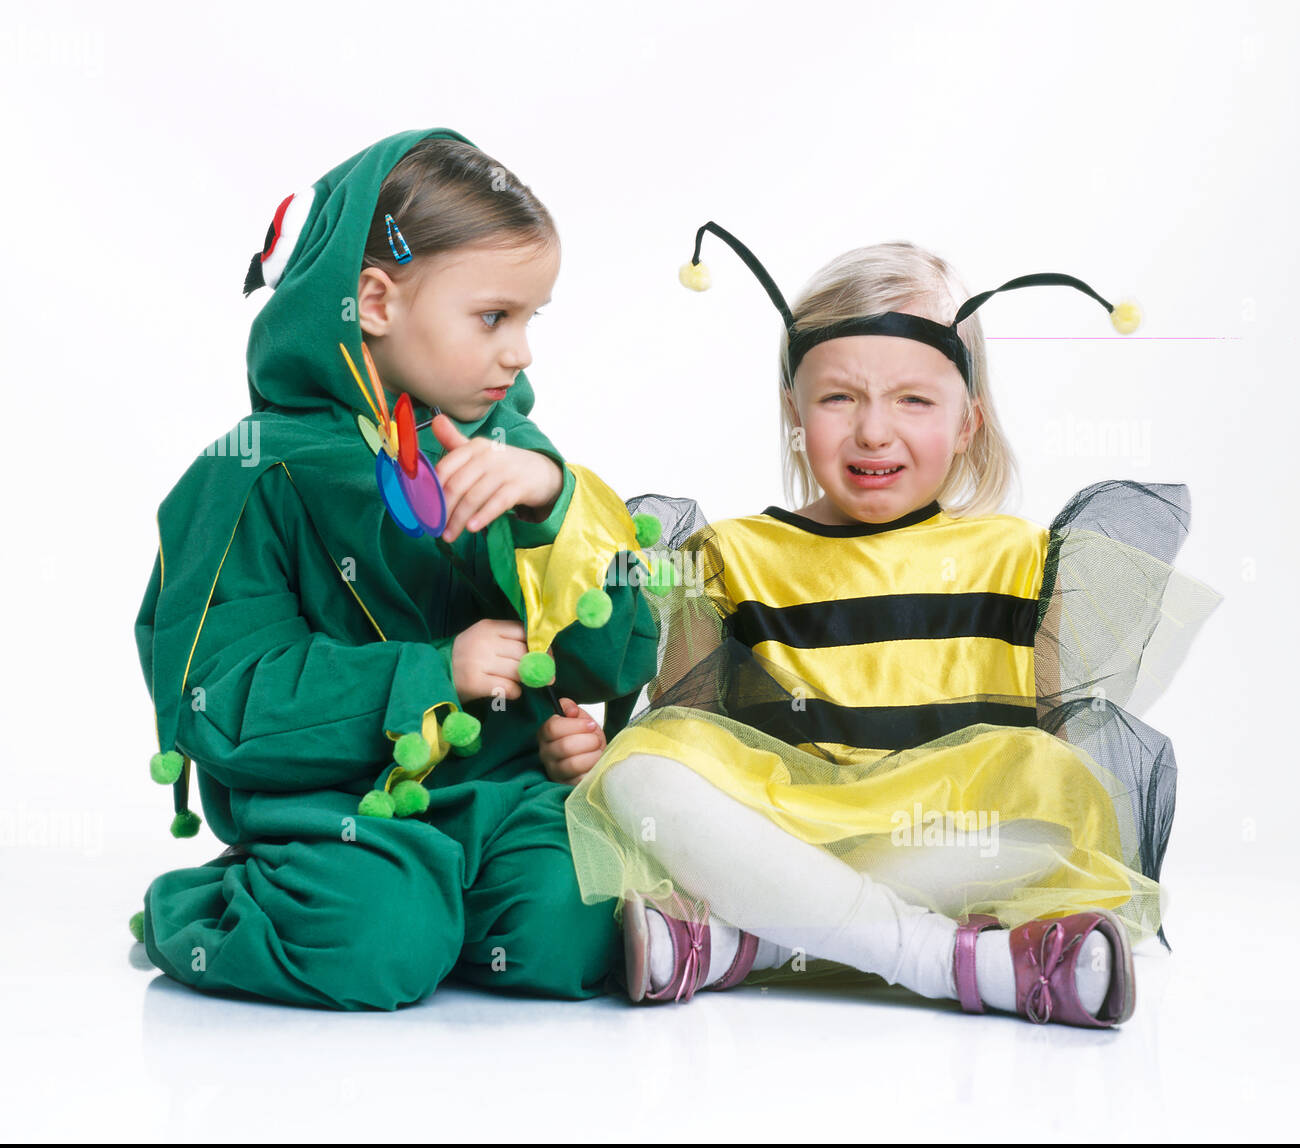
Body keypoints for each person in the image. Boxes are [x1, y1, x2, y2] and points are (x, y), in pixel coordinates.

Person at [558, 223, 1221, 1027]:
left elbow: (1046, 738)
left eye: (914, 399)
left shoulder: (1017, 559)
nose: (874, 430)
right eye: (840, 397)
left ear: (969, 421)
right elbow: (688, 725)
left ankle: (752, 939)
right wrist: (594, 746)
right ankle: (952, 960)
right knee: (643, 769)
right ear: (794, 409)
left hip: (938, 841)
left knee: (1062, 792)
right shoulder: (731, 555)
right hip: (784, 825)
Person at [131, 127, 659, 1011]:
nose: (521, 351)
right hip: (342, 813)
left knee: (574, 933)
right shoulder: (248, 474)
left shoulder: (512, 454)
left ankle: (448, 911)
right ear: (374, 301)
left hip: (501, 796)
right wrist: (430, 673)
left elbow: (622, 659)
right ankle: (211, 912)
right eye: (494, 317)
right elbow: (217, 702)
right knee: (374, 938)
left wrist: (554, 509)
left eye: (532, 319)